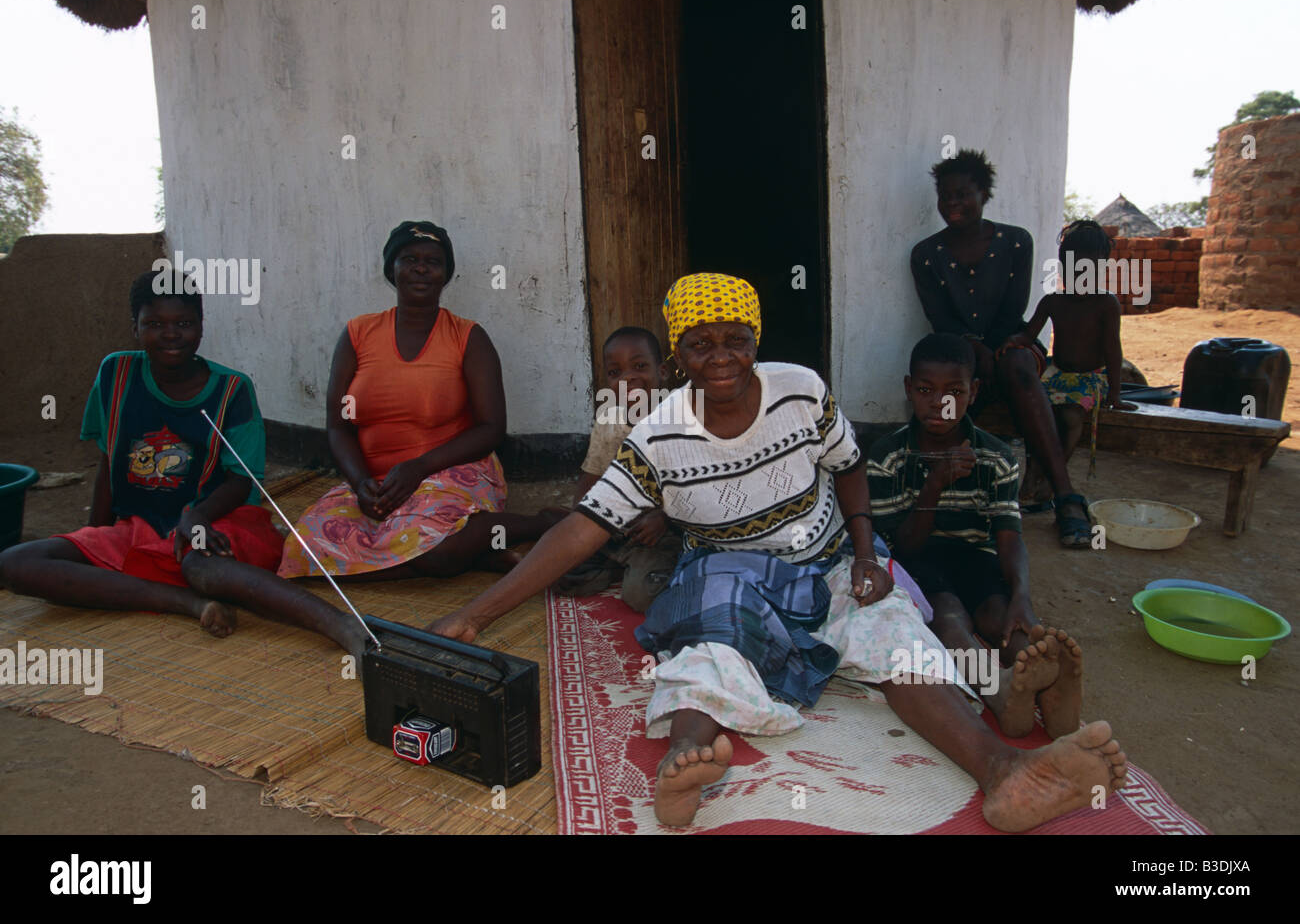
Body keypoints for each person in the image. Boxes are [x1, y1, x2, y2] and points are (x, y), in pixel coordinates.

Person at [429, 272, 1127, 832]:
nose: (722, 356)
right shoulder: (658, 435)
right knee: (709, 647)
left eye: (736, 339)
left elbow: (849, 465)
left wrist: (862, 551)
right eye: (700, 344)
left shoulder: (802, 391)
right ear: (677, 357)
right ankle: (686, 764)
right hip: (726, 566)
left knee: (890, 637)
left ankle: (1002, 769)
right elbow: (581, 527)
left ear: (756, 340)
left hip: (825, 555)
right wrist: (476, 614)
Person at [0, 272, 368, 657]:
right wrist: (94, 536)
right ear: (135, 328)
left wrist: (196, 517)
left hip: (217, 522)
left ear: (201, 326)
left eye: (184, 323)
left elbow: (240, 480)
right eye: (155, 324)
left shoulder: (232, 389)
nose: (171, 334)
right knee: (14, 563)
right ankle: (189, 603)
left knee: (200, 566)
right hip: (140, 527)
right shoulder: (116, 374)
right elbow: (109, 461)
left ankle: (341, 626)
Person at [277, 221, 563, 582]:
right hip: (379, 482)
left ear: (446, 274)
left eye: (434, 261)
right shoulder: (357, 334)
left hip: (449, 472)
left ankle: (536, 524)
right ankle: (476, 554)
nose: (422, 268)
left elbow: (492, 429)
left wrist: (418, 467)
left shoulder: (467, 337)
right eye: (409, 258)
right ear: (391, 270)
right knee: (301, 548)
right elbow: (338, 426)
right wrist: (361, 482)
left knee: (437, 546)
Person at [867, 333, 1083, 739]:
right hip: (918, 562)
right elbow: (905, 546)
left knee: (1004, 619)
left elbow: (1008, 535)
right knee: (949, 619)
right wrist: (935, 483)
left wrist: (1022, 594)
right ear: (908, 389)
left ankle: (1051, 690)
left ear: (974, 392)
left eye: (954, 391)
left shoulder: (995, 456)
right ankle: (999, 693)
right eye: (926, 390)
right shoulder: (887, 457)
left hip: (975, 556)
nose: (940, 403)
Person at [910, 149, 1091, 548]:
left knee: (1018, 366)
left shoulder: (1015, 241)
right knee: (944, 373)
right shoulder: (926, 255)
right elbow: (942, 321)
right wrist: (974, 352)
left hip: (1010, 344)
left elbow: (1013, 315)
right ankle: (945, 499)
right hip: (961, 348)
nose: (952, 203)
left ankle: (1066, 498)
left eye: (962, 194)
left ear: (984, 194)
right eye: (945, 196)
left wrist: (992, 354)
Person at [553, 326, 681, 611]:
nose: (628, 378)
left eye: (639, 366)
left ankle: (633, 569)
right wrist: (579, 527)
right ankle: (614, 564)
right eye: (615, 372)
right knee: (562, 576)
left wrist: (665, 518)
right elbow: (590, 479)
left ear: (662, 371)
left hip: (661, 533)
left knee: (641, 597)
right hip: (611, 530)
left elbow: (694, 490)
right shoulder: (609, 419)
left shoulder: (681, 420)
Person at [1002, 220, 1138, 481]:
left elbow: (1113, 351)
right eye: (1076, 269)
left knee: (1072, 418)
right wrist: (1013, 341)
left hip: (1091, 379)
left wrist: (1115, 393)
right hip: (1057, 374)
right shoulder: (1053, 301)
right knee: (1037, 416)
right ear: (1063, 266)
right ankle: (1033, 474)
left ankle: (1055, 477)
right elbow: (1028, 335)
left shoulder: (1106, 304)